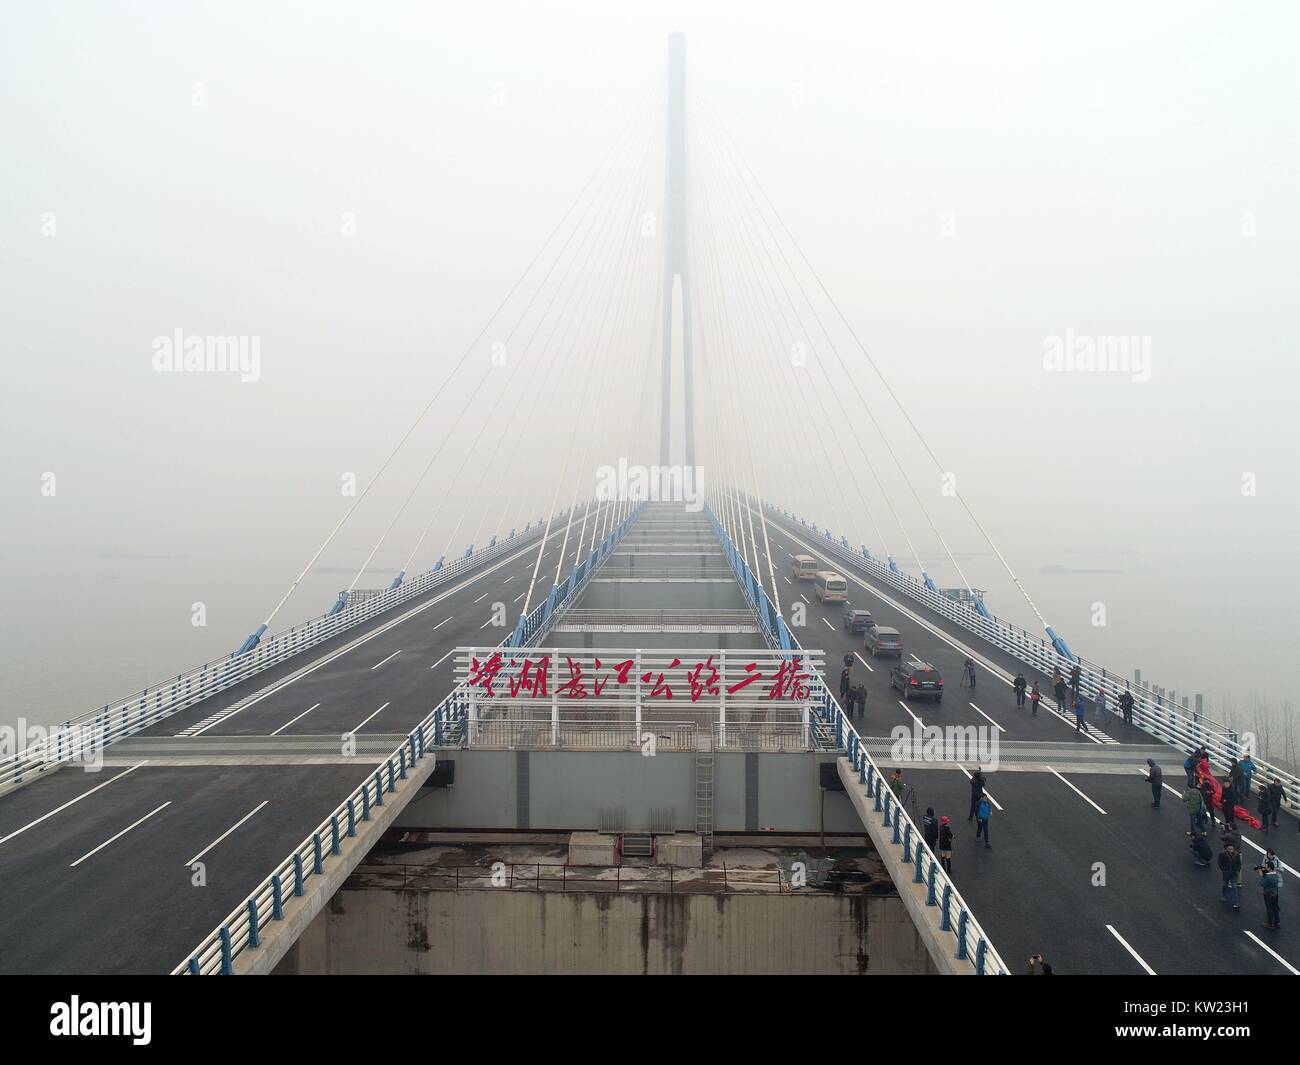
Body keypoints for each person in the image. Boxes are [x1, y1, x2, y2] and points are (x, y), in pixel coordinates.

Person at [1259, 859, 1282, 929]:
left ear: (1269, 868)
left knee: (1269, 908)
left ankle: (1270, 923)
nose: (1265, 868)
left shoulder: (1268, 877)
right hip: (1274, 893)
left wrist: (1262, 875)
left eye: (1266, 867)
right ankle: (1277, 922)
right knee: (1275, 907)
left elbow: (1261, 883)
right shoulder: (1275, 875)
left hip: (1268, 894)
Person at [1218, 843, 1242, 911]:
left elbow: (1239, 863)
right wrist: (1223, 870)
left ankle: (1236, 902)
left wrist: (1237, 869)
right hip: (1226, 873)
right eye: (1229, 849)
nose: (1231, 850)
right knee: (1224, 885)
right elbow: (1219, 863)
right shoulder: (1222, 854)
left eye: (1232, 849)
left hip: (1233, 873)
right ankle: (1224, 895)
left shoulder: (1236, 855)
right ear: (1226, 849)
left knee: (1234, 887)